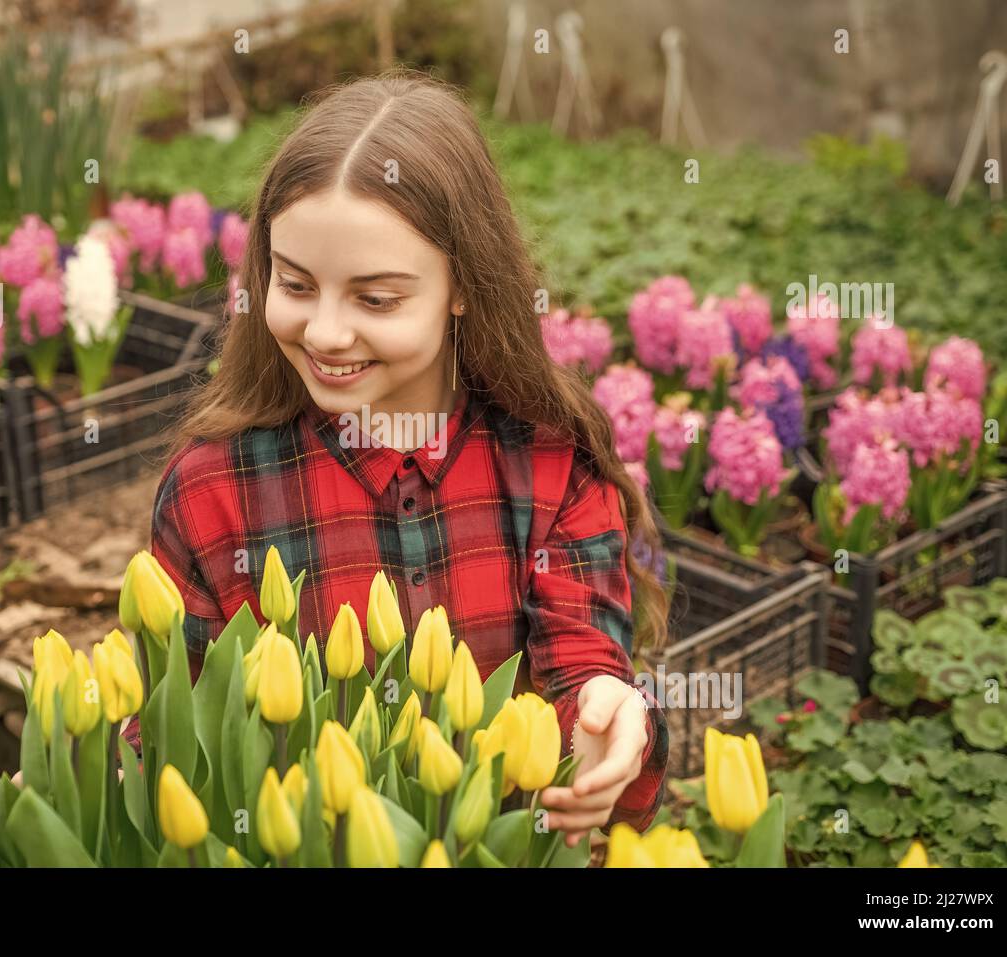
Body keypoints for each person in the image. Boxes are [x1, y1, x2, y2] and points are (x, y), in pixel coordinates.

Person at [127, 69, 670, 847]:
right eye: (296, 284)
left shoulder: (550, 462)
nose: (324, 332)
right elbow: (172, 724)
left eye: (375, 299)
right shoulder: (213, 489)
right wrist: (88, 772)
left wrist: (608, 719)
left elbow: (578, 672)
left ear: (462, 286)